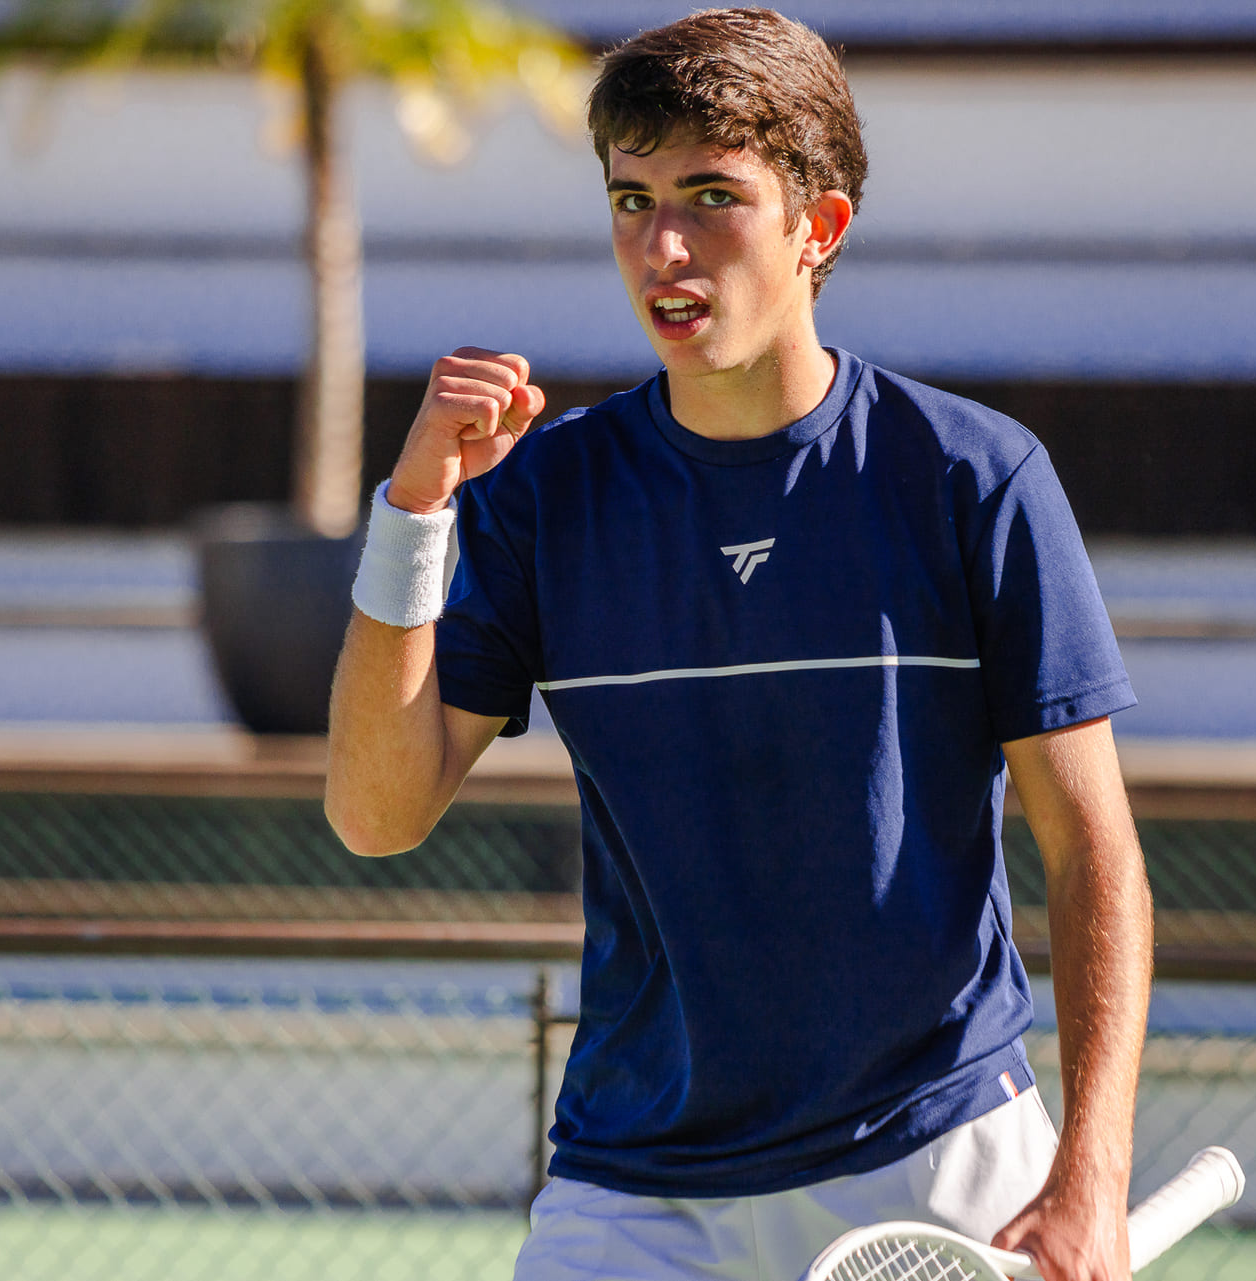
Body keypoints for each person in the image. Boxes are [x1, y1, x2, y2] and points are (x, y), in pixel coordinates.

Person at [325, 9, 1153, 1280]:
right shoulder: (543, 496)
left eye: (712, 197)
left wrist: (1090, 1174)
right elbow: (376, 814)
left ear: (818, 228)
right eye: (632, 200)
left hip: (939, 1157)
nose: (663, 245)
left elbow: (1093, 850)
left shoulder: (973, 478)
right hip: (633, 1184)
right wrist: (413, 511)